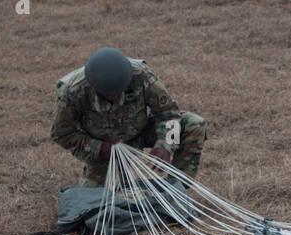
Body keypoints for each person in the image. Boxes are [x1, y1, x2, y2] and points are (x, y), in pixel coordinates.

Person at [50, 48, 207, 187]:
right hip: (106, 151)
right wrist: (101, 148)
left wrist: (165, 145)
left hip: (142, 130)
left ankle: (175, 192)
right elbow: (62, 133)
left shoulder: (140, 74)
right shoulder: (72, 91)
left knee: (194, 125)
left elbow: (168, 113)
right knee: (94, 203)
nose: (115, 97)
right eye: (108, 94)